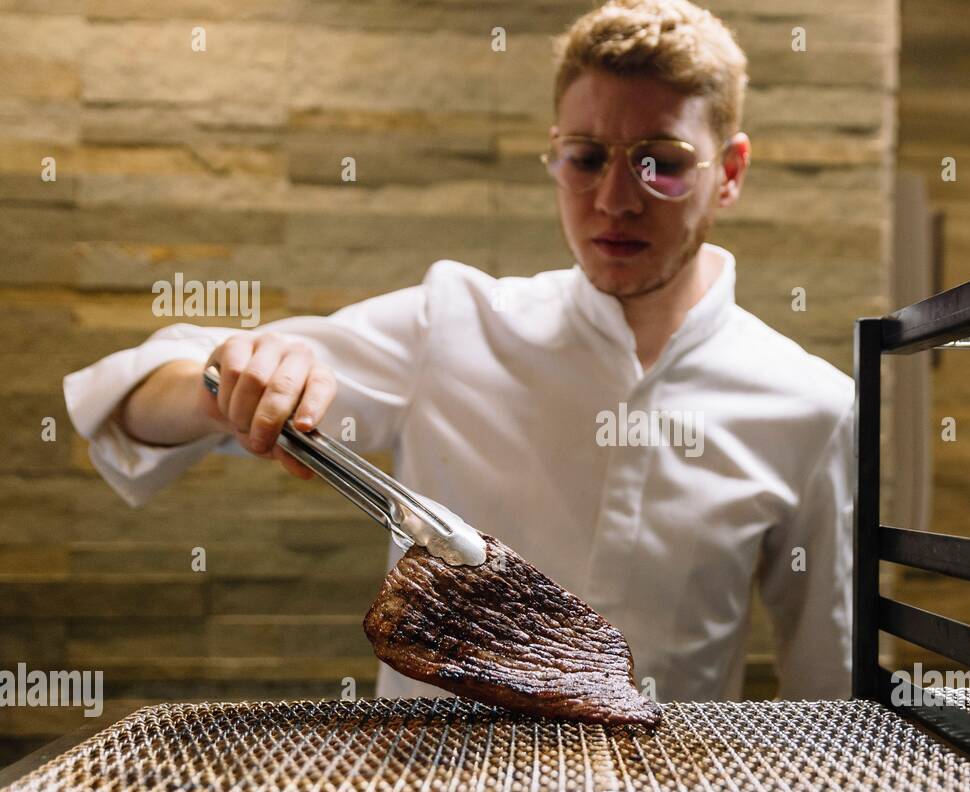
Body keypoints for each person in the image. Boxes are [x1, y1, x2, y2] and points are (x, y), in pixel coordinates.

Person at [62, 0, 855, 703]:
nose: (616, 198)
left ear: (731, 172)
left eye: (663, 163)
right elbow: (132, 399)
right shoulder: (454, 324)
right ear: (555, 155)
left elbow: (829, 688)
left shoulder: (810, 404)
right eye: (585, 158)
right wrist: (223, 384)